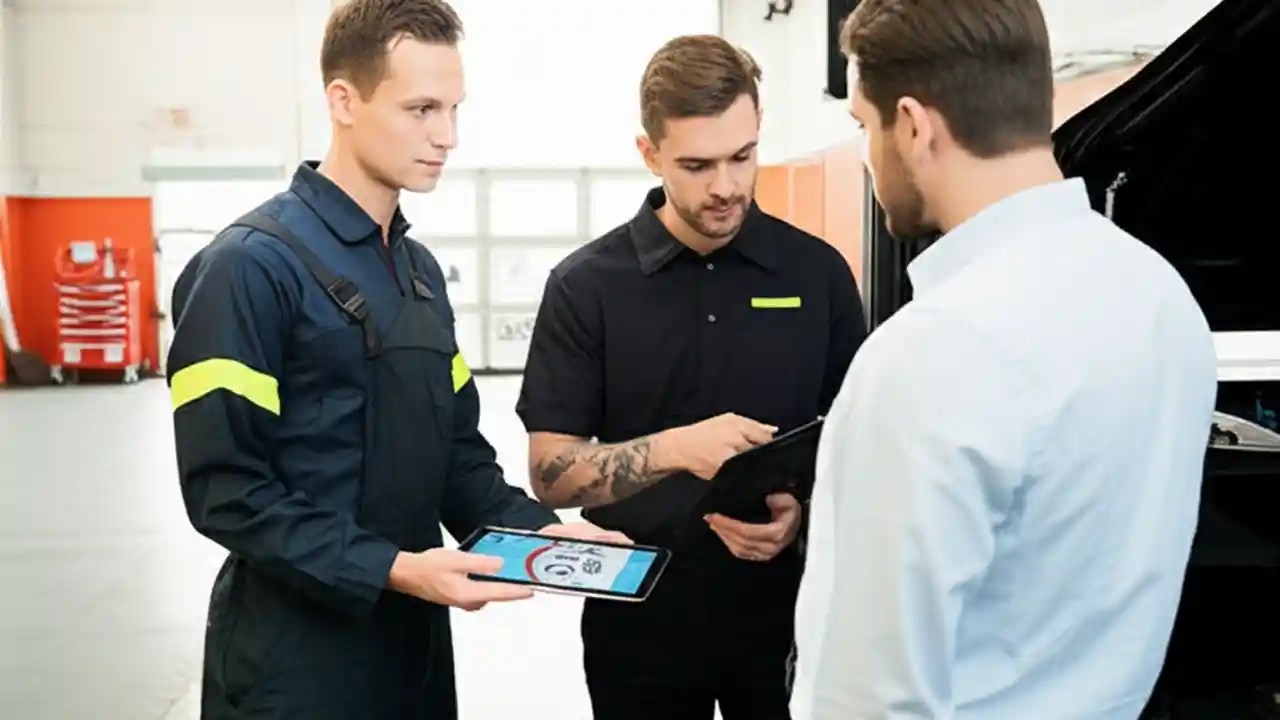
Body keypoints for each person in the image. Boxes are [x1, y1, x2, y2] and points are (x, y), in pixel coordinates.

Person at [165, 1, 624, 717]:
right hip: (293, 666)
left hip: (414, 656)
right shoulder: (247, 268)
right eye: (421, 109)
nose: (448, 135)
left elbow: (458, 465)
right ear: (343, 101)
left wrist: (550, 540)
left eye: (453, 108)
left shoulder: (419, 277)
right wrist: (395, 568)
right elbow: (227, 491)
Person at [789, 1, 1220, 718]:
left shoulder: (932, 351)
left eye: (865, 126)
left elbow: (867, 700)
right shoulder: (1161, 297)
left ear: (914, 126)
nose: (867, 153)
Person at [515, 35, 868, 720]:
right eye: (697, 165)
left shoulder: (818, 275)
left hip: (783, 618)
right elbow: (550, 475)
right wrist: (676, 449)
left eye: (742, 156)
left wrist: (800, 517)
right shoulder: (586, 287)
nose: (726, 186)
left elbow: (856, 446)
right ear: (649, 153)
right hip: (638, 623)